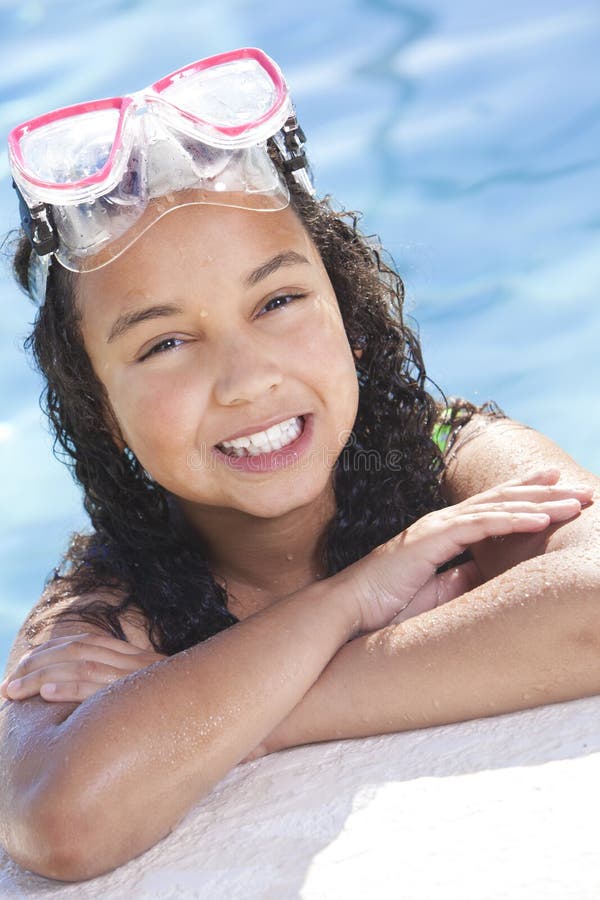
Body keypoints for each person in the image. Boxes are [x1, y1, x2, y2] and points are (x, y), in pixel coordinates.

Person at [0, 48, 598, 883]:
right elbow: (60, 819)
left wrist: (235, 705)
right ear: (104, 412)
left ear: (348, 316)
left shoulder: (450, 455)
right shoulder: (104, 600)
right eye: (165, 343)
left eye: (278, 302)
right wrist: (354, 597)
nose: (248, 381)